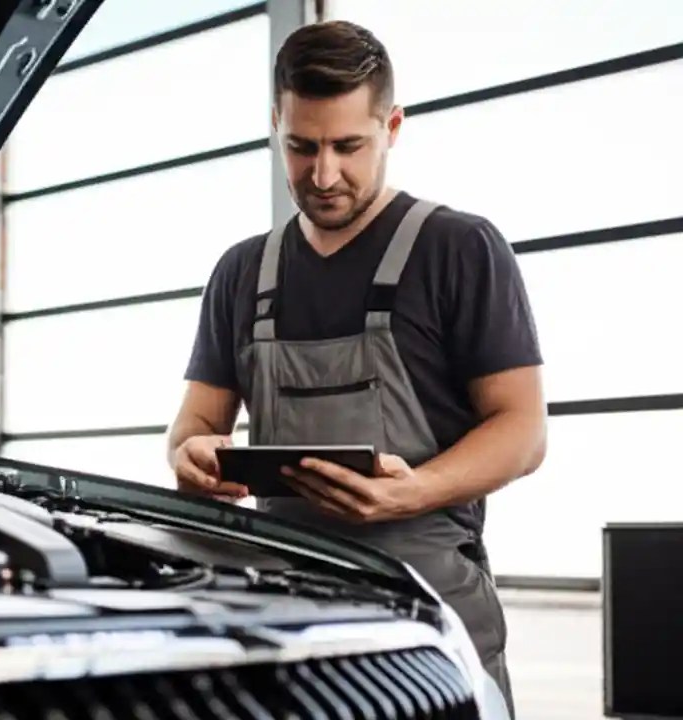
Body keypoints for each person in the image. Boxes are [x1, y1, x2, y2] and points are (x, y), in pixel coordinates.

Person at [166, 19, 547, 716]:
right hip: (285, 624)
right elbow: (196, 422)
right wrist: (191, 454)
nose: (323, 174)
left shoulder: (460, 249)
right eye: (301, 146)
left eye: (349, 146)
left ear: (393, 126)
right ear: (275, 125)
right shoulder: (241, 272)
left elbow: (523, 432)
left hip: (430, 626)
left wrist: (413, 491)